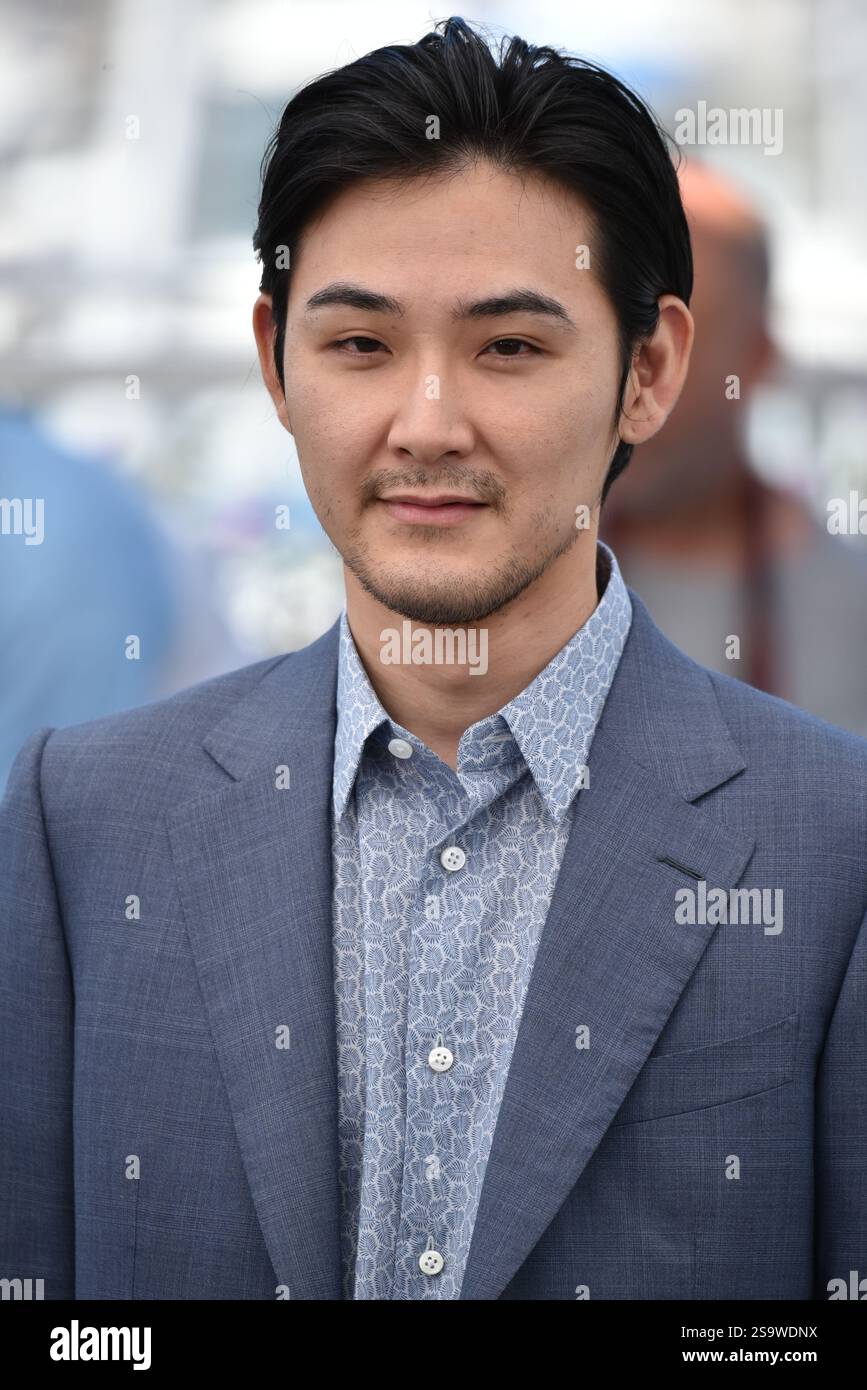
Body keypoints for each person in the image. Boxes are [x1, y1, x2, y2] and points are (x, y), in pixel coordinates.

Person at [1, 16, 865, 1302]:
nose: (427, 422)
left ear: (651, 370)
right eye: (359, 344)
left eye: (510, 346)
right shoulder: (84, 819)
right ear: (273, 364)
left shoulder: (834, 844)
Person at [601, 161, 867, 736]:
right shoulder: (510, 584)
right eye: (615, 338)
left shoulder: (851, 605)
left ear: (758, 359)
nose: (631, 387)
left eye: (671, 350)